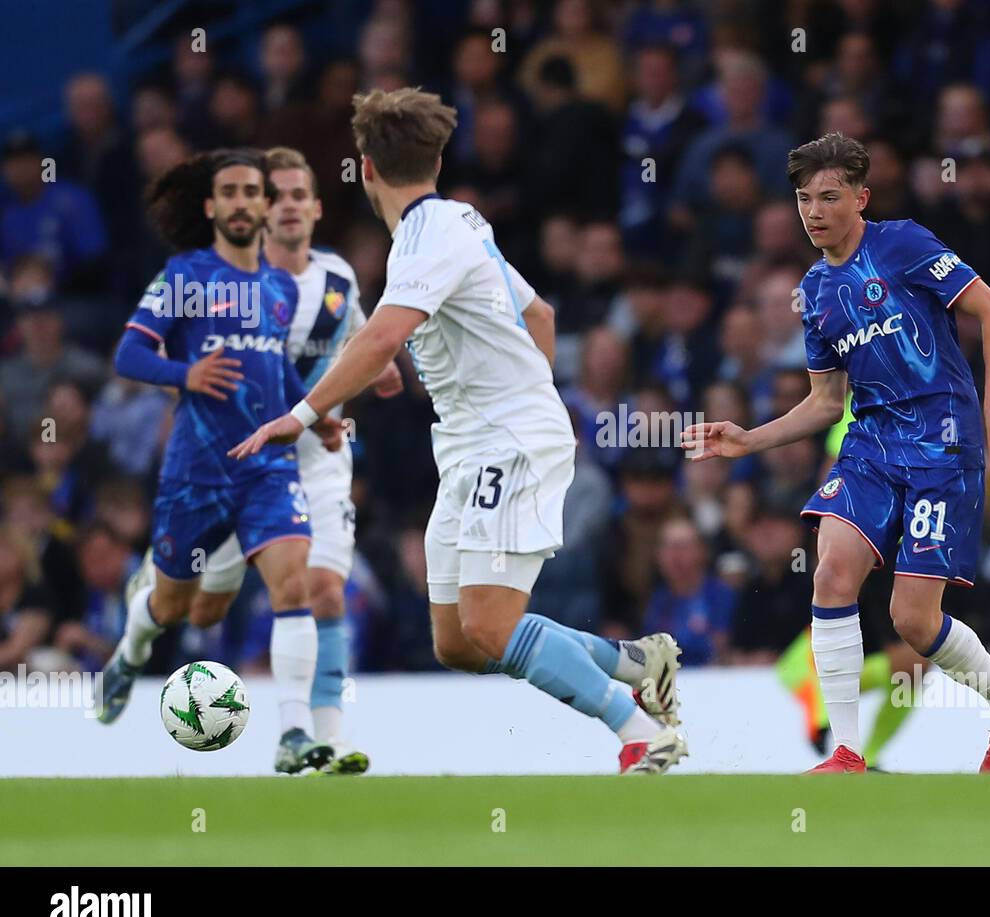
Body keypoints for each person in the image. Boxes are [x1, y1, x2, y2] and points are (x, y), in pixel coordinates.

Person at [230, 88, 688, 774]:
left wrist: (299, 414)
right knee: (459, 642)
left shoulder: (429, 236)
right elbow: (542, 317)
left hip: (507, 444)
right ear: (439, 158)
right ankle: (637, 662)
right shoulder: (463, 221)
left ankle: (640, 732)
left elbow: (384, 336)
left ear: (364, 169)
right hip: (474, 446)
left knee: (490, 624)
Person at [683, 132, 990, 774]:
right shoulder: (817, 291)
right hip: (872, 444)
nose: (813, 212)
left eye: (829, 197)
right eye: (803, 199)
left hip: (943, 440)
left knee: (912, 619)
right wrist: (748, 439)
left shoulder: (902, 242)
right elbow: (826, 402)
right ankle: (847, 751)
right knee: (830, 573)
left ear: (861, 197)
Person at [136, 146, 403, 775]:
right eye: (273, 195)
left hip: (315, 461)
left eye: (296, 195)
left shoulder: (338, 279)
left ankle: (326, 743)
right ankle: (153, 588)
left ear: (315, 206)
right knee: (203, 607)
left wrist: (382, 368)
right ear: (258, 210)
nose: (286, 207)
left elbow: (358, 339)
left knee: (324, 590)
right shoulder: (225, 283)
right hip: (235, 463)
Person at [96, 149, 345, 776]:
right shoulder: (183, 275)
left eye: (251, 192)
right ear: (211, 207)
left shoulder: (279, 287)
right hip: (195, 473)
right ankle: (130, 652)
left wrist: (314, 412)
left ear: (265, 206)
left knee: (293, 584)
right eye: (228, 192)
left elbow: (274, 364)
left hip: (265, 465)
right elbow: (128, 354)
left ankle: (292, 735)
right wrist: (186, 372)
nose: (240, 202)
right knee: (174, 608)